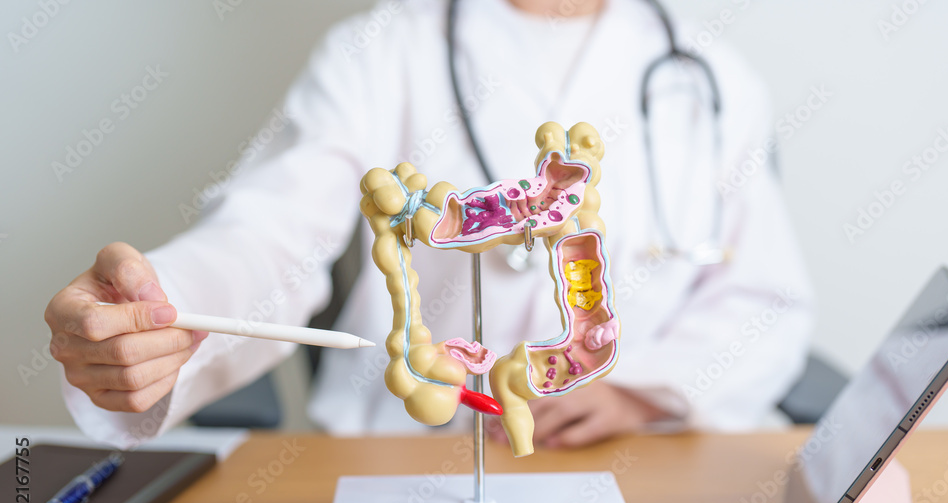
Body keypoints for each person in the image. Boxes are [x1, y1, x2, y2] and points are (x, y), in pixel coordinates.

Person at [44, 0, 813, 450]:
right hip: (406, 454)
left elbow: (762, 299)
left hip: (631, 464)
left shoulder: (709, 80)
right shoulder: (380, 51)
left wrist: (643, 394)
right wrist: (162, 307)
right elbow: (270, 235)